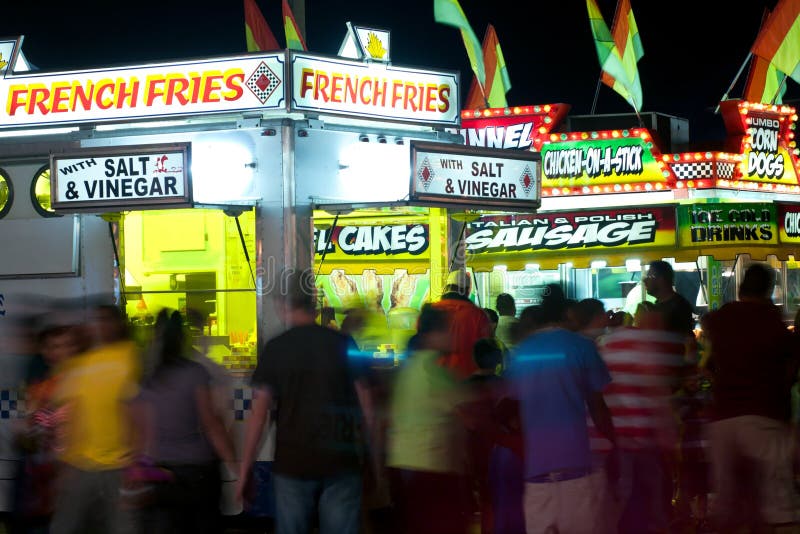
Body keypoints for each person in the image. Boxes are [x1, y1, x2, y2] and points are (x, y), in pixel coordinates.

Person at [237, 270, 371, 534]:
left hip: (292, 464)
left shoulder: (276, 348)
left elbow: (258, 415)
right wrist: (373, 460)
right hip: (341, 462)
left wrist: (245, 469)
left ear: (282, 305)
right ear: (316, 303)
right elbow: (368, 407)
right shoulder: (344, 343)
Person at [507, 283, 618, 533]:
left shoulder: (522, 352)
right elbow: (599, 408)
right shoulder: (581, 347)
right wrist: (617, 446)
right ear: (567, 313)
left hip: (536, 474)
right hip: (577, 469)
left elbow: (511, 408)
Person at [703, 263, 800, 530]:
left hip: (723, 418)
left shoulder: (720, 318)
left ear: (743, 286)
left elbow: (707, 365)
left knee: (727, 504)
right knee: (774, 506)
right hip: (764, 416)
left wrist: (724, 382)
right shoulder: (772, 322)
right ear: (769, 289)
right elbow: (790, 369)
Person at [136, 309, 236, 534]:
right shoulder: (195, 373)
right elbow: (211, 424)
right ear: (182, 338)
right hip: (197, 469)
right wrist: (235, 466)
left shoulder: (146, 378)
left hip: (159, 472)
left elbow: (140, 432)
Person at [595, 302, 687, 534]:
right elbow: (656, 395)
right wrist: (669, 440)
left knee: (623, 495)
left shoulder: (609, 343)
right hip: (642, 437)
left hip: (615, 434)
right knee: (651, 494)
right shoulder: (646, 347)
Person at [50, 303, 141, 534]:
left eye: (105, 319)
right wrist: (64, 464)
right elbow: (69, 415)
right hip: (80, 464)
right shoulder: (80, 363)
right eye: (95, 320)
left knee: (121, 526)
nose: (98, 325)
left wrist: (137, 459)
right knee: (67, 526)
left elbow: (139, 412)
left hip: (119, 464)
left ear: (118, 324)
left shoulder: (131, 356)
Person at [387, 305, 470, 534]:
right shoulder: (432, 370)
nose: (454, 336)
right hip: (430, 465)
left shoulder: (411, 366)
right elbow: (464, 409)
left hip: (407, 462)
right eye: (449, 330)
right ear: (434, 334)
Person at [432, 269, 492, 380]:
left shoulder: (430, 312)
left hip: (436, 381)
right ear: (466, 291)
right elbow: (486, 351)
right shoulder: (478, 315)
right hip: (468, 383)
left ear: (447, 288)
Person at [644, 260, 695, 337]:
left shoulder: (679, 307)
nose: (645, 280)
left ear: (661, 279)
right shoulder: (658, 305)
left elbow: (686, 340)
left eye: (649, 276)